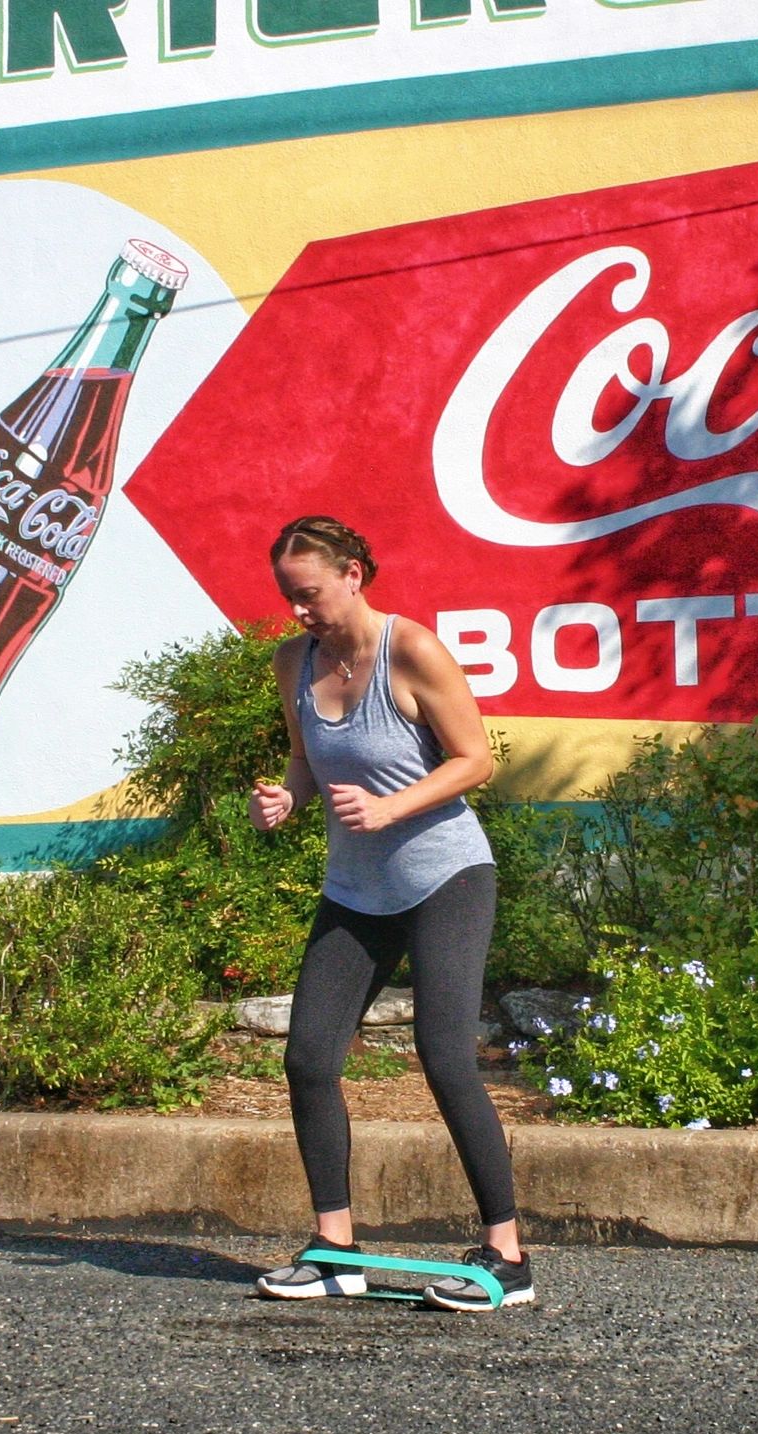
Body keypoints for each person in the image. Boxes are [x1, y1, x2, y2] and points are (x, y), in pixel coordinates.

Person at [246, 516, 533, 1311]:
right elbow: (306, 761)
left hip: (446, 876)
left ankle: (508, 1257)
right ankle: (334, 1251)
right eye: (288, 597)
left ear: (353, 576)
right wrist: (285, 799)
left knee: (445, 1057)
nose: (298, 611)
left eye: (309, 594)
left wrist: (390, 806)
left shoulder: (412, 650)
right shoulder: (293, 662)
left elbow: (475, 758)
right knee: (309, 1058)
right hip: (356, 889)